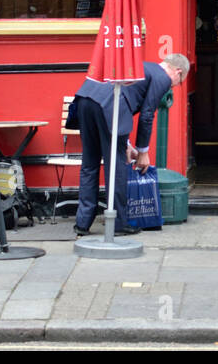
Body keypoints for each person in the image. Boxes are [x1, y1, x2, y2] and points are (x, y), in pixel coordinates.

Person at [71, 54, 190, 237]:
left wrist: (126, 143)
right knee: (117, 167)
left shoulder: (141, 67)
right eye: (179, 82)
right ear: (178, 71)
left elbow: (122, 97)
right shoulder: (162, 77)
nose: (174, 86)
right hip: (110, 106)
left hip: (85, 99)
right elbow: (147, 115)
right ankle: (119, 224)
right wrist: (143, 151)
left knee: (89, 164)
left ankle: (82, 223)